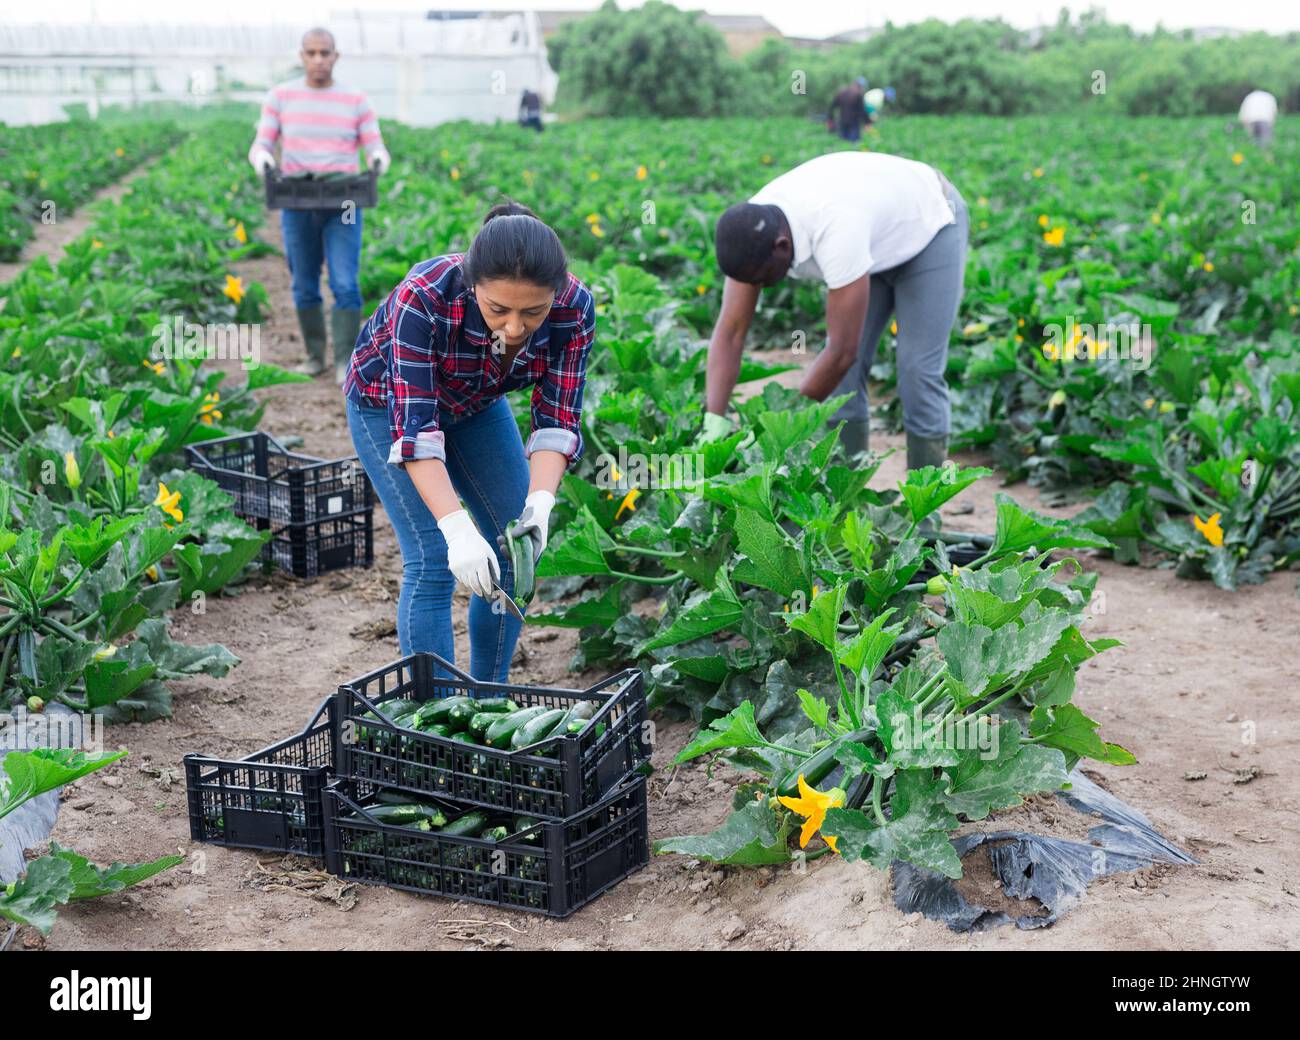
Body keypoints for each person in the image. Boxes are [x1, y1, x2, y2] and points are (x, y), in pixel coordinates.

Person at [342, 204, 595, 682]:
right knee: (434, 557)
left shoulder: (575, 308)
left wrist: (539, 503)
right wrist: (457, 528)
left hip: (477, 403)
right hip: (385, 405)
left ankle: (487, 702)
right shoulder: (424, 297)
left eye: (533, 312)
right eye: (498, 310)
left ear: (555, 294)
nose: (515, 328)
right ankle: (435, 725)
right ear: (473, 282)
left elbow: (557, 418)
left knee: (515, 549)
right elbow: (416, 431)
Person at [704, 151, 969, 472]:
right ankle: (844, 498)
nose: (756, 288)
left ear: (783, 247)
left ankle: (925, 507)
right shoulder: (749, 231)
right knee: (841, 383)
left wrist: (779, 428)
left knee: (917, 372)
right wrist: (713, 422)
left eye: (760, 280)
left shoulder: (837, 229)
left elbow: (842, 351)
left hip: (930, 224)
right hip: (874, 232)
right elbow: (731, 332)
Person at [248, 27, 391, 384]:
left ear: (335, 56)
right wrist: (263, 160)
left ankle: (345, 359)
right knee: (304, 282)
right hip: (297, 198)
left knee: (345, 281)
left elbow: (374, 144)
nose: (318, 59)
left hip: (343, 198)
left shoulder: (355, 99)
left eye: (324, 53)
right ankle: (314, 356)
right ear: (302, 56)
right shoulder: (280, 96)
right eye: (311, 53)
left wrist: (377, 160)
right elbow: (261, 143)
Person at [827, 77, 868, 142]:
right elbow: (862, 111)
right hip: (854, 123)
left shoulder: (842, 92)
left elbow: (832, 107)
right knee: (853, 145)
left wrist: (830, 118)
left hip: (843, 122)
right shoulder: (858, 95)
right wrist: (867, 122)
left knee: (843, 144)